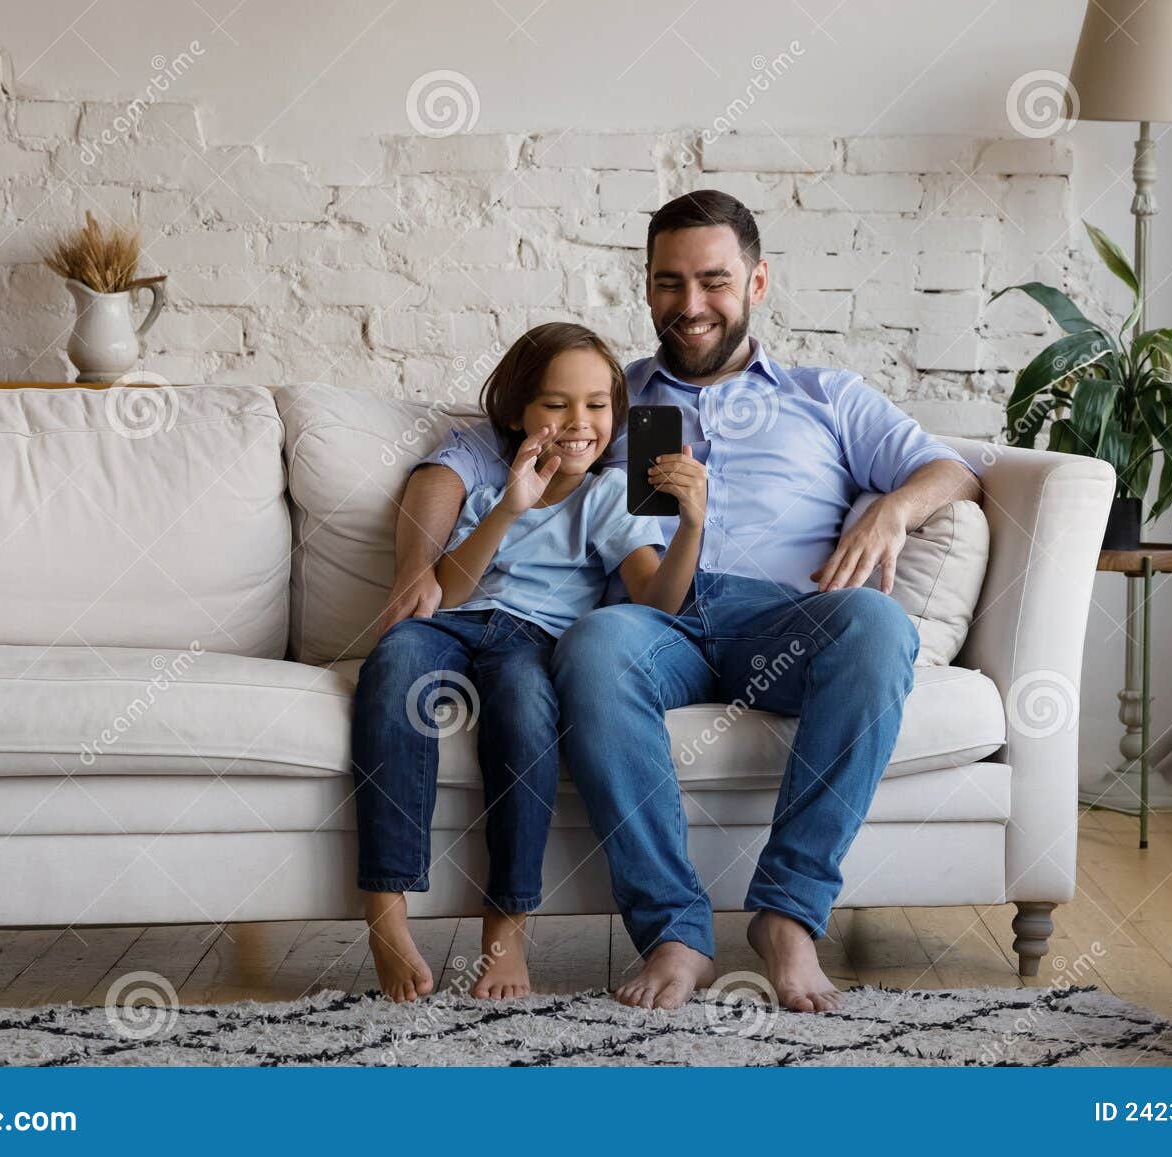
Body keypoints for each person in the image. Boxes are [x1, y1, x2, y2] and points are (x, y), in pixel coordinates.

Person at [381, 190, 981, 1013]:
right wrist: (417, 563)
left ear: (758, 282)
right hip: (658, 616)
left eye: (713, 281)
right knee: (591, 645)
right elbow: (460, 454)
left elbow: (952, 468)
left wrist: (894, 506)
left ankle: (788, 916)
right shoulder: (608, 399)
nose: (690, 305)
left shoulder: (825, 395)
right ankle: (676, 930)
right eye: (669, 283)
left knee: (880, 624)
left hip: (784, 620)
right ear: (648, 286)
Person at [351, 321, 708, 1002]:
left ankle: (505, 926)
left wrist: (690, 524)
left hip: (533, 640)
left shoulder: (608, 498)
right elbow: (447, 592)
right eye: (556, 404)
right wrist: (509, 508)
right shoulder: (486, 488)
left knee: (524, 707)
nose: (579, 423)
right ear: (517, 413)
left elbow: (657, 601)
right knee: (394, 666)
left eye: (598, 406)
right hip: (450, 628)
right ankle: (385, 914)